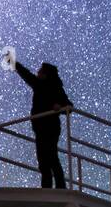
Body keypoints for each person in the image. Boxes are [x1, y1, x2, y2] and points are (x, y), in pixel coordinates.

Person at [12, 59, 74, 188]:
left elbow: (69, 106)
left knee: (51, 157)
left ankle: (60, 187)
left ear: (45, 74)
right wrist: (14, 63)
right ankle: (48, 187)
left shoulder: (55, 87)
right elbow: (26, 74)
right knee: (43, 160)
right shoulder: (39, 85)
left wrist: (60, 106)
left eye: (40, 71)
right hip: (40, 128)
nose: (37, 73)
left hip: (50, 128)